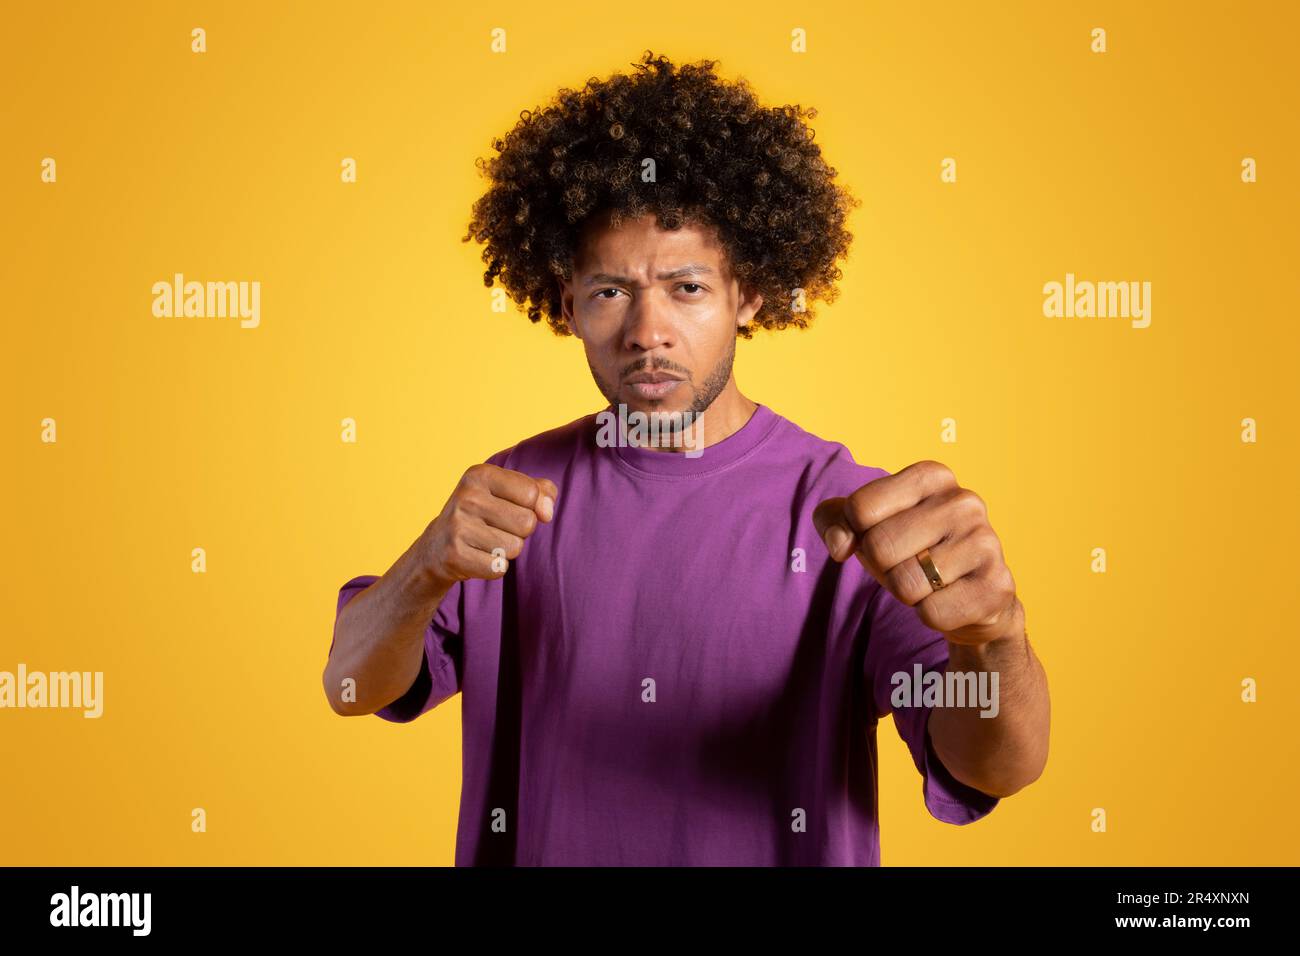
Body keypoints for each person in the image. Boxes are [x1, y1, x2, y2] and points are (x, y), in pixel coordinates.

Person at [323, 51, 1050, 866]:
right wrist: (425, 566)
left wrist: (994, 639)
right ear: (565, 306)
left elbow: (996, 766)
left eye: (687, 288)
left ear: (750, 295)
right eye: (609, 292)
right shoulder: (510, 498)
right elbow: (350, 686)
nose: (646, 332)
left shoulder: (856, 517)